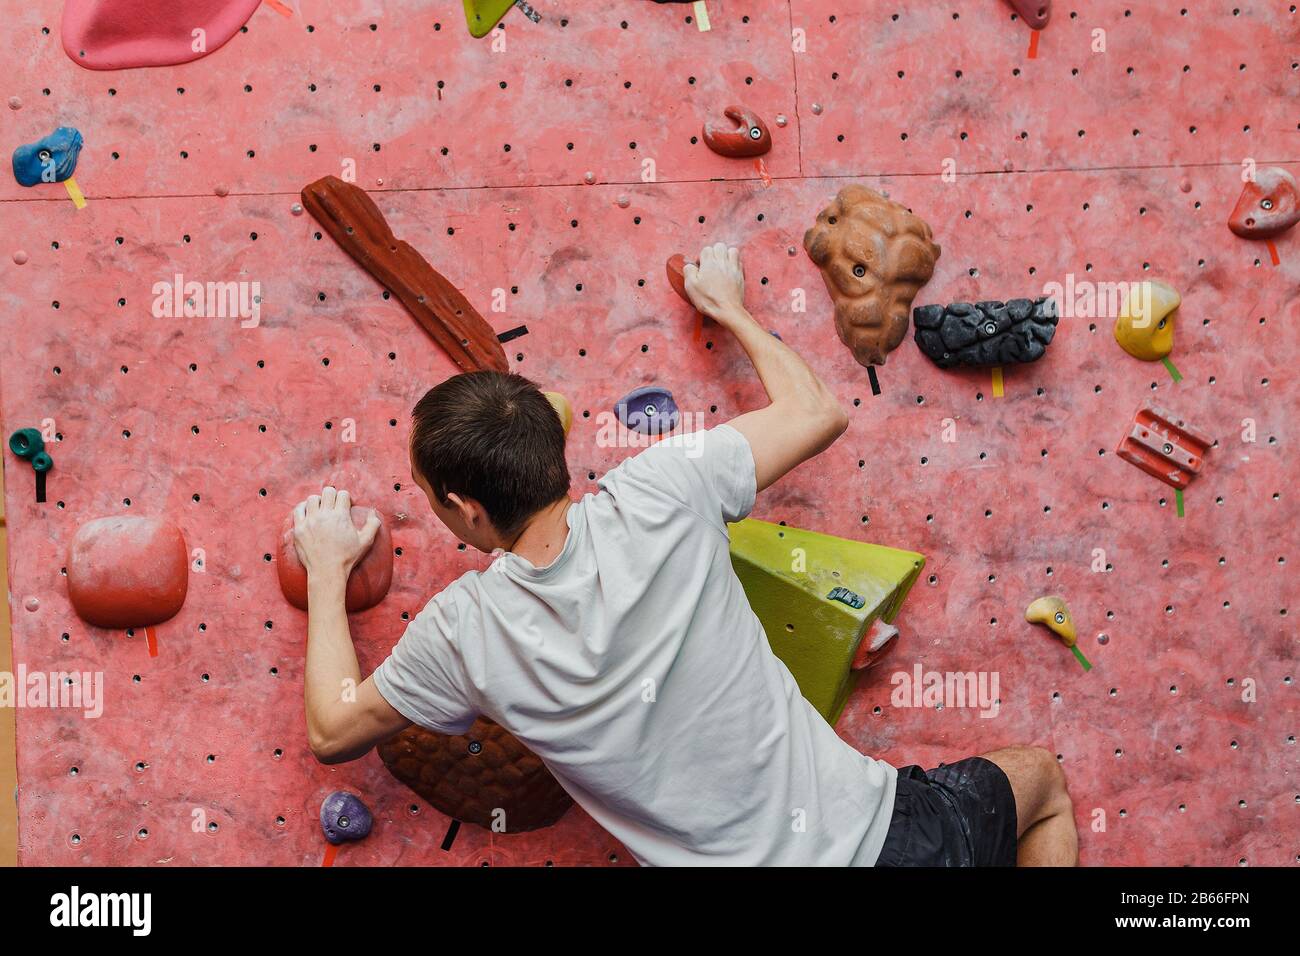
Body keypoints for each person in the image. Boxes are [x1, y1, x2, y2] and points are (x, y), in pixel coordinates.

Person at [290, 243, 1078, 866]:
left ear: (464, 508)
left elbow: (332, 732)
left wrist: (327, 572)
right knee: (1036, 780)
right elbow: (816, 411)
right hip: (881, 843)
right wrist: (731, 309)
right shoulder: (661, 489)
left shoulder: (460, 632)